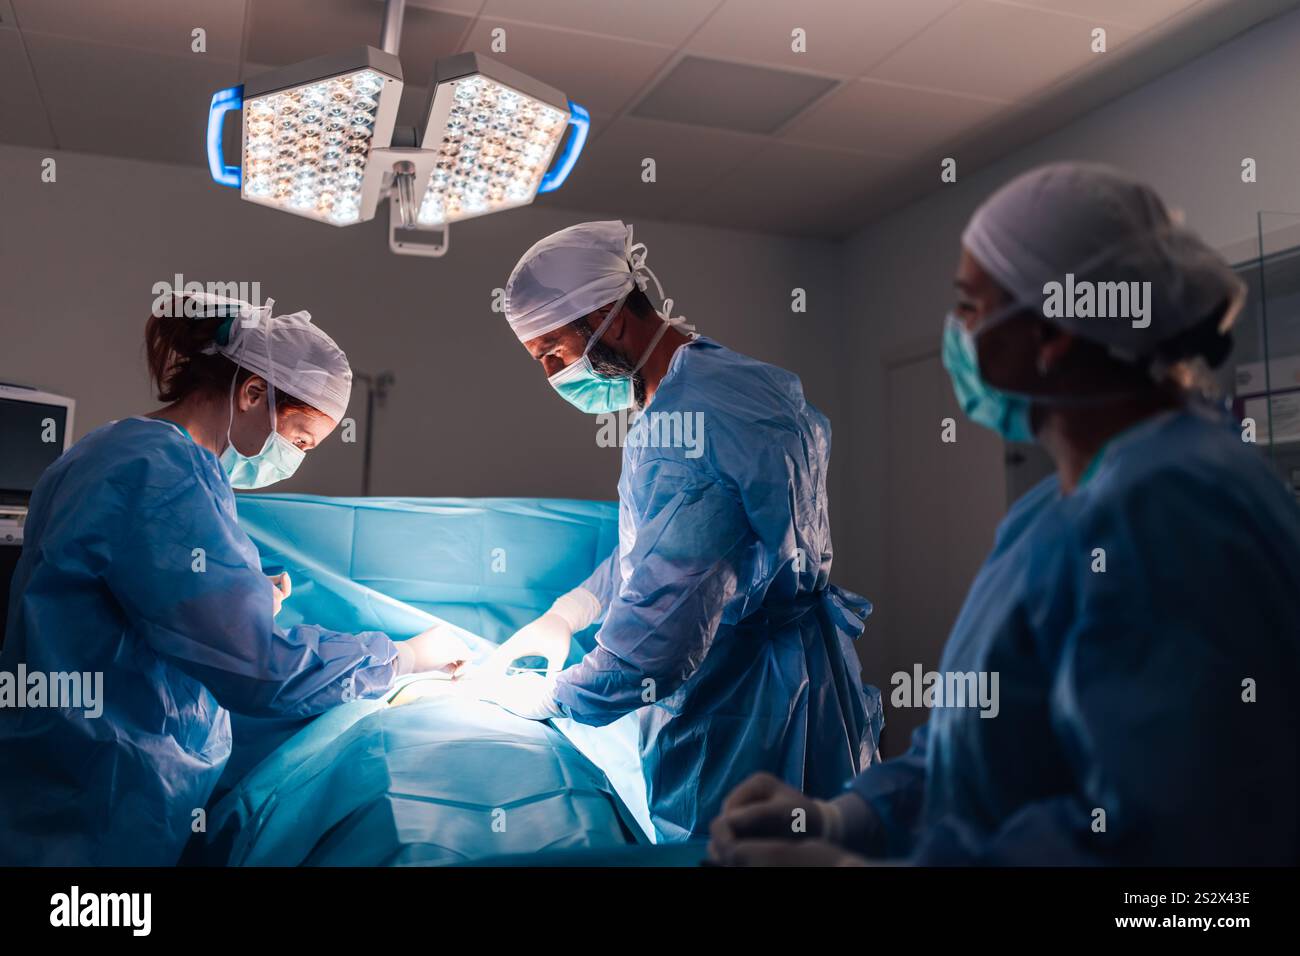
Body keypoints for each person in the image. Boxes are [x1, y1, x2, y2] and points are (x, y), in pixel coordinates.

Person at [710, 161, 1300, 866]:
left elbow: (1174, 864)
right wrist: (843, 820)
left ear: (1052, 333)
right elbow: (973, 748)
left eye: (970, 306)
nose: (956, 332)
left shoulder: (1174, 507)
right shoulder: (1047, 516)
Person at [0, 293, 470, 865]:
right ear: (252, 393)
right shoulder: (161, 475)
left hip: (61, 783)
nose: (295, 457)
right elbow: (258, 669)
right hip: (99, 806)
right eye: (299, 439)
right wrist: (401, 658)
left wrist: (240, 599)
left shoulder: (111, 450)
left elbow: (144, 604)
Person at [475, 221, 882, 842]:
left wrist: (552, 697)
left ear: (608, 319)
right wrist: (573, 609)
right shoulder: (732, 383)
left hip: (743, 709)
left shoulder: (688, 423)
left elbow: (659, 642)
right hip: (804, 682)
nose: (554, 375)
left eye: (553, 353)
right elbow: (676, 542)